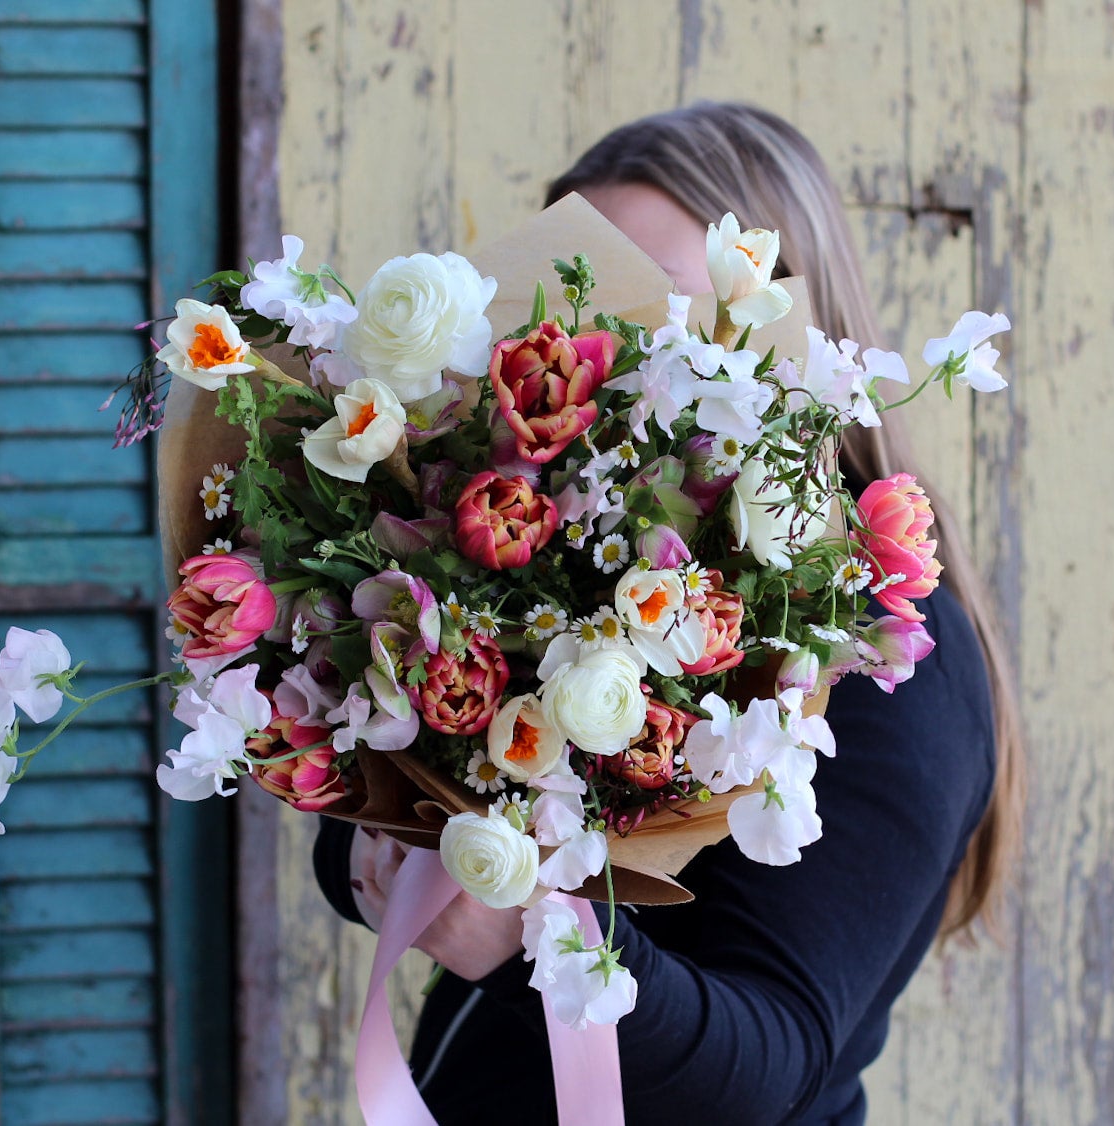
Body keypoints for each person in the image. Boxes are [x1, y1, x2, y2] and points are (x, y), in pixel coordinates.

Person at [313, 101, 1024, 1125]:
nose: (620, 359)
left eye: (672, 314)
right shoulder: (541, 566)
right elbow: (377, 811)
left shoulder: (888, 649)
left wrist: (528, 938)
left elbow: (764, 1063)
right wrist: (386, 848)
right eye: (584, 309)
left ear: (791, 334)